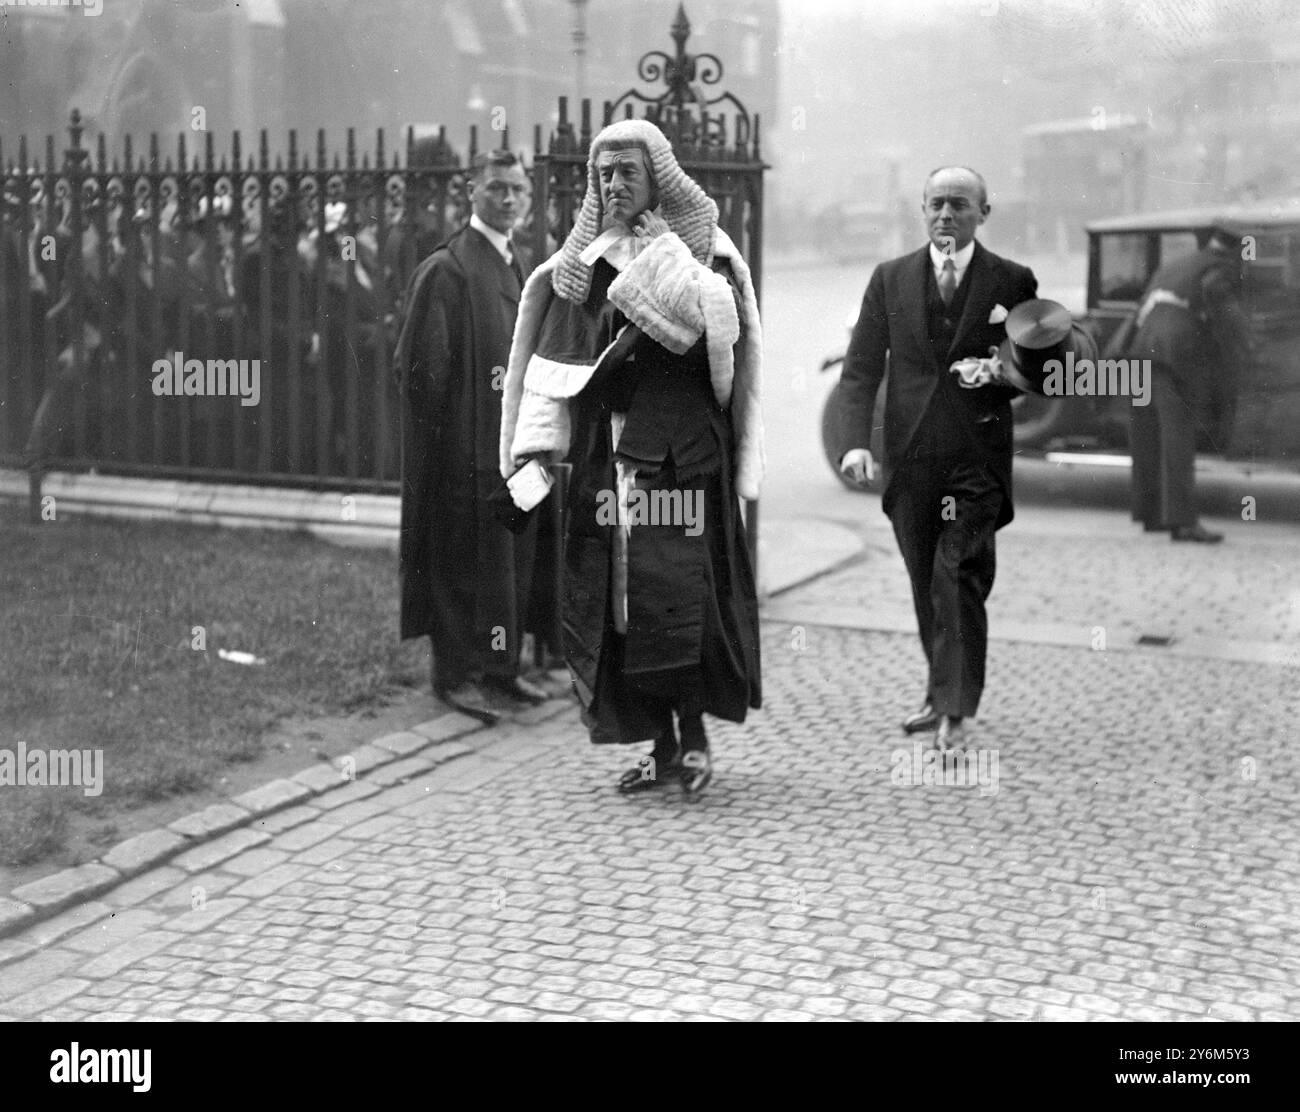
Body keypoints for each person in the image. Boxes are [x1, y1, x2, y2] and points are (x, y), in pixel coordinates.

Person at [499, 118, 763, 798]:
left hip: (682, 459)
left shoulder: (706, 255)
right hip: (606, 458)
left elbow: (717, 338)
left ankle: (696, 737)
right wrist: (531, 461)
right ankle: (658, 745)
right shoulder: (577, 270)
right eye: (604, 174)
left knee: (682, 598)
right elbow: (550, 370)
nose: (613, 185)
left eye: (628, 173)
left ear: (660, 180)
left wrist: (661, 260)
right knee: (616, 609)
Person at [839, 166, 1037, 752]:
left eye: (958, 204)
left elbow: (1040, 366)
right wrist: (855, 442)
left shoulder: (1013, 280)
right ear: (922, 211)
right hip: (912, 460)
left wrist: (998, 373)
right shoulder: (891, 278)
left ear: (984, 212)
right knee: (926, 578)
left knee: (957, 576)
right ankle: (938, 689)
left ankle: (954, 710)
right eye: (935, 204)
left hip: (976, 457)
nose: (945, 215)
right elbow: (861, 369)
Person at [394, 149, 550, 723]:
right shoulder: (448, 268)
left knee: (506, 562)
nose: (508, 199)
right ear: (472, 193)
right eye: (496, 189)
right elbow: (421, 371)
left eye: (517, 190)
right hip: (463, 447)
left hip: (508, 447)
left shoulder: (516, 263)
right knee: (459, 560)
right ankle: (453, 675)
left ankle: (500, 672)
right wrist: (454, 439)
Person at [1127, 227, 1249, 543]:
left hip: (1143, 347)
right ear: (1236, 249)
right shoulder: (1220, 266)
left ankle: (1151, 516)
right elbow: (1223, 306)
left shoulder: (1178, 263)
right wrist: (1245, 343)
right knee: (1178, 437)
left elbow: (1143, 304)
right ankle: (1183, 523)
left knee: (1148, 435)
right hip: (1175, 352)